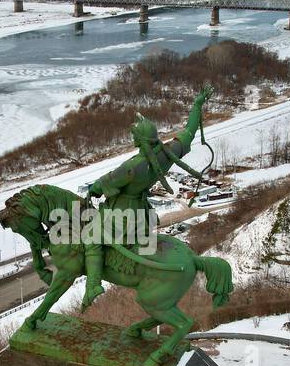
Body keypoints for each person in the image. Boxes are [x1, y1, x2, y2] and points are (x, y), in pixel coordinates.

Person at [78, 86, 212, 309]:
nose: (132, 138)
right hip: (143, 213)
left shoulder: (132, 166)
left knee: (92, 237)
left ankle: (93, 284)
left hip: (122, 215)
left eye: (133, 136)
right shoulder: (168, 153)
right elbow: (189, 131)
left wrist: (92, 191)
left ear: (138, 139)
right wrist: (197, 105)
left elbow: (105, 183)